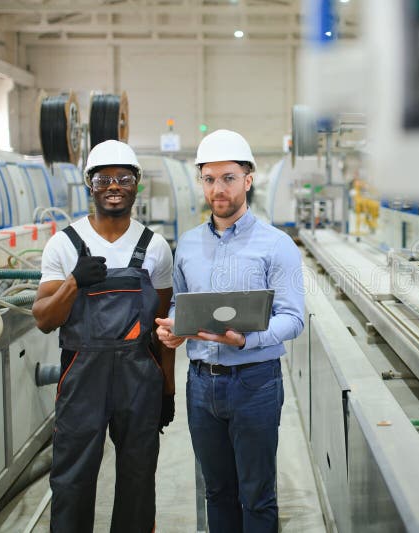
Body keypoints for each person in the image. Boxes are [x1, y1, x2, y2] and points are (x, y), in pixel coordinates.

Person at [155, 129, 304, 533]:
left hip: (255, 383)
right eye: (209, 179)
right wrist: (174, 329)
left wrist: (247, 340)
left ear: (248, 180)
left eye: (228, 178)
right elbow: (178, 304)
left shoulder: (276, 245)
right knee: (217, 491)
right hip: (201, 385)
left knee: (257, 495)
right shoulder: (186, 245)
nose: (218, 189)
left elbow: (293, 318)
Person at [32, 140, 176, 532]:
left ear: (137, 185)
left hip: (138, 376)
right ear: (89, 185)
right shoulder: (64, 244)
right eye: (104, 178)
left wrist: (167, 388)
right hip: (83, 374)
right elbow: (43, 319)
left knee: (138, 477)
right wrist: (73, 284)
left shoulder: (155, 248)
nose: (114, 185)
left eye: (124, 178)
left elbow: (164, 325)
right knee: (72, 479)